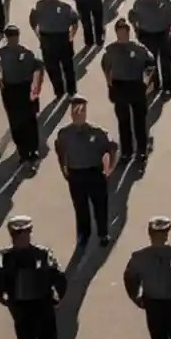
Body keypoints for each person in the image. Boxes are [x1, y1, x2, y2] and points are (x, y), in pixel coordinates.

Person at [0, 215, 66, 339]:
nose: (23, 238)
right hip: (20, 305)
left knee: (48, 337)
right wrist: (3, 299)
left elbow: (57, 274)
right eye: (19, 235)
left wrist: (59, 294)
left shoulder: (42, 254)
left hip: (42, 302)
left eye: (26, 234)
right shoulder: (3, 258)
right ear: (12, 236)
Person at [53, 96, 116, 247]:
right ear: (71, 114)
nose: (78, 113)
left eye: (81, 110)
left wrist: (109, 169)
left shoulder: (97, 133)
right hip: (76, 174)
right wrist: (64, 168)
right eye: (75, 111)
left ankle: (103, 233)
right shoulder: (64, 134)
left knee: (100, 206)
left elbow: (112, 148)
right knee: (80, 207)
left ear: (85, 113)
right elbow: (60, 151)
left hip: (94, 173)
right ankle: (83, 234)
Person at [0, 25, 45, 170]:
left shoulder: (27, 53)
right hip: (10, 90)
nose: (13, 39)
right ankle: (23, 153)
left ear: (18, 37)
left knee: (30, 121)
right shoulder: (1, 53)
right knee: (15, 122)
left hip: (25, 88)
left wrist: (36, 85)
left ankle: (33, 152)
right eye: (10, 37)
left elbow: (39, 67)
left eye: (14, 36)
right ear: (7, 38)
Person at [100, 19, 155, 161]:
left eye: (125, 31)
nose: (122, 34)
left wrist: (147, 83)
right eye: (120, 31)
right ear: (117, 33)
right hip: (119, 87)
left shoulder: (139, 48)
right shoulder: (110, 50)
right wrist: (109, 83)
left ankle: (141, 150)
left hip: (136, 86)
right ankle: (126, 151)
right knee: (123, 121)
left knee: (139, 120)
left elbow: (150, 64)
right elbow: (105, 66)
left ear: (128, 32)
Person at [127, 0, 171, 97]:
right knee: (150, 62)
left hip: (163, 34)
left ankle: (167, 87)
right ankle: (155, 85)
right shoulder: (139, 3)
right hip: (147, 34)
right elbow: (132, 16)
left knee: (165, 62)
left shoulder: (167, 2)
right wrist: (136, 28)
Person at [28, 0, 80, 98]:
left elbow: (74, 21)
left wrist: (72, 35)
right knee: (52, 68)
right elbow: (32, 21)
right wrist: (38, 35)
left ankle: (72, 90)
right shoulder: (38, 6)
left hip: (62, 38)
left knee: (68, 67)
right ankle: (59, 91)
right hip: (47, 39)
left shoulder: (64, 6)